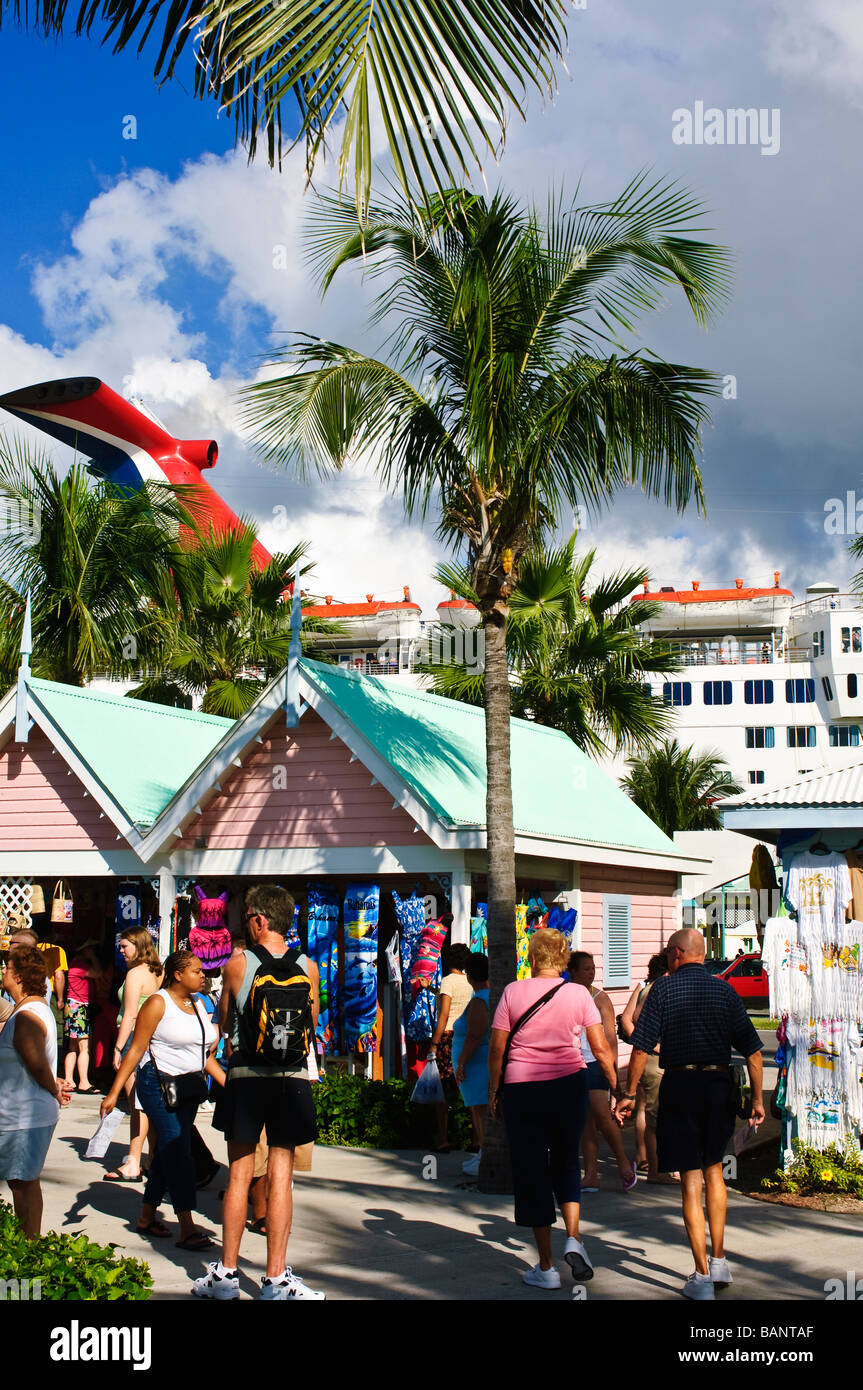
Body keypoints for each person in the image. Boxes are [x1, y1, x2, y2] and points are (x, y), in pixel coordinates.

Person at [618, 928, 765, 1300]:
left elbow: (639, 1048)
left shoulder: (663, 990)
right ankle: (719, 1260)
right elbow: (753, 1051)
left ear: (679, 954)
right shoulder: (726, 991)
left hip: (681, 1086)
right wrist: (759, 1100)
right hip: (718, 1086)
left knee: (690, 1178)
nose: (668, 957)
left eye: (669, 951)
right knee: (715, 1170)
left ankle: (701, 1277)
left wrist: (629, 1093)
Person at [195, 884, 324, 1300]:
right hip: (291, 1079)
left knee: (239, 1175)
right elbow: (313, 1023)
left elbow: (226, 1020)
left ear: (259, 919)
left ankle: (226, 1275)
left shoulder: (237, 964)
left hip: (247, 1077)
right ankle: (275, 1279)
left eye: (248, 916)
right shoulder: (309, 966)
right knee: (282, 1178)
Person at [488, 928, 617, 1290]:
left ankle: (546, 1268)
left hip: (523, 1088)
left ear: (532, 957)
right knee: (565, 1163)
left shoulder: (513, 991)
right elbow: (600, 1047)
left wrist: (495, 1091)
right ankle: (573, 1238)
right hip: (569, 1087)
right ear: (563, 959)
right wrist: (615, 1085)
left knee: (532, 1171)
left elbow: (497, 1049)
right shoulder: (578, 994)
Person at [101, 950, 223, 1250]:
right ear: (178, 974)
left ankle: (145, 1217)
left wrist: (228, 1085)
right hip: (157, 1086)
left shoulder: (197, 1003)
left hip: (188, 1089)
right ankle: (187, 1226)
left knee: (169, 1151)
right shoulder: (158, 1003)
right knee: (178, 1150)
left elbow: (205, 1056)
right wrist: (115, 1091)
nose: (202, 974)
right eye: (196, 970)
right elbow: (136, 1049)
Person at [0, 946, 74, 1235]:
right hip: (21, 1112)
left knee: (22, 1183)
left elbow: (37, 1065)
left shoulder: (29, 1014)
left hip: (24, 1115)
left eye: (6, 969)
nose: (3, 972)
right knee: (23, 1182)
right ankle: (29, 1244)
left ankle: (29, 1246)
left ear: (18, 977)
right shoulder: (28, 1008)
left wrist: (53, 1088)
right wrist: (54, 1084)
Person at [568, 951, 637, 1193]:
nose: (591, 972)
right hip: (572, 1062)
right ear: (573, 971)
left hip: (595, 1062)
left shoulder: (600, 998)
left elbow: (610, 1036)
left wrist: (613, 1071)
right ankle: (590, 1174)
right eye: (585, 968)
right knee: (584, 1121)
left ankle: (623, 1163)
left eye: (593, 968)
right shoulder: (565, 995)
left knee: (601, 1114)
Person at [104, 928, 164, 1182]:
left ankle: (133, 1160)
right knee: (148, 1103)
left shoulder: (135, 974)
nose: (121, 951)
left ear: (138, 946)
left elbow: (129, 1014)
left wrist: (118, 1048)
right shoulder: (159, 972)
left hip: (133, 1039)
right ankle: (152, 1158)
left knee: (137, 1103)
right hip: (154, 1039)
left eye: (125, 946)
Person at [619, 952, 675, 1184]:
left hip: (642, 1057)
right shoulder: (660, 988)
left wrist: (638, 1040)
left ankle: (643, 1157)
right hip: (653, 1059)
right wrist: (651, 1044)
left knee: (644, 1108)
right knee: (655, 1114)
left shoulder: (643, 986)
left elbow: (626, 1019)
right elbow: (636, 1016)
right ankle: (656, 1168)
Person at [428, 941, 473, 1153]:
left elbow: (444, 1014)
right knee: (469, 1089)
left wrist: (434, 1044)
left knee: (444, 1092)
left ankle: (443, 1138)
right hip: (467, 1036)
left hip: (447, 1037)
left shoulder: (448, 982)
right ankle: (477, 1138)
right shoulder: (471, 982)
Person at [453, 952, 490, 1177]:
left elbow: (475, 1035)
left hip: (477, 1065)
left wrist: (462, 1063)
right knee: (477, 1109)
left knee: (480, 1110)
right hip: (477, 1064)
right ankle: (481, 1154)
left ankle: (485, 1155)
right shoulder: (486, 997)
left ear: (469, 976)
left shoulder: (479, 1000)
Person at [63, 939, 104, 1094]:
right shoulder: (80, 965)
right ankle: (84, 1082)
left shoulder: (74, 964)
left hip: (72, 1006)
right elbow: (98, 973)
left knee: (72, 1046)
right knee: (84, 1047)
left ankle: (69, 1079)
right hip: (79, 1007)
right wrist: (93, 958)